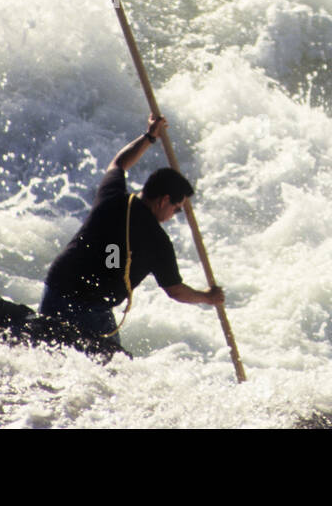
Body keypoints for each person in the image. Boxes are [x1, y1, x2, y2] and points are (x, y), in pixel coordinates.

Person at [40, 114, 224, 346]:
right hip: (87, 306)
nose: (174, 216)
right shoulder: (157, 241)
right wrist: (208, 297)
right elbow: (175, 291)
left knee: (51, 353)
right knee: (110, 371)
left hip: (57, 286)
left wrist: (149, 137)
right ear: (164, 200)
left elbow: (118, 163)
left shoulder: (112, 195)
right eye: (176, 209)